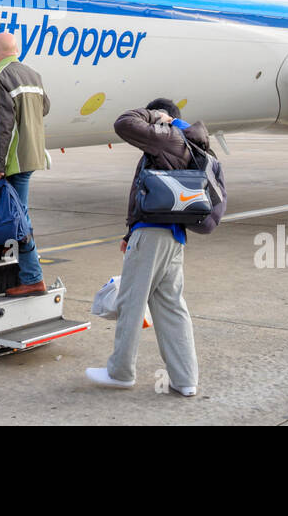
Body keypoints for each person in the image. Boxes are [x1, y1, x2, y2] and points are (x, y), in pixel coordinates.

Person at [86, 98, 212, 397]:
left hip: (153, 234)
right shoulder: (190, 142)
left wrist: (154, 115)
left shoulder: (167, 138)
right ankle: (185, 379)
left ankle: (120, 372)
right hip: (174, 236)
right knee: (171, 307)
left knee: (131, 302)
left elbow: (124, 123)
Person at [0, 31, 51, 296]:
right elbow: (44, 107)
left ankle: (33, 278)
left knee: (19, 218)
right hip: (33, 154)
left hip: (13, 159)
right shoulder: (34, 75)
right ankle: (21, 268)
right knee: (17, 214)